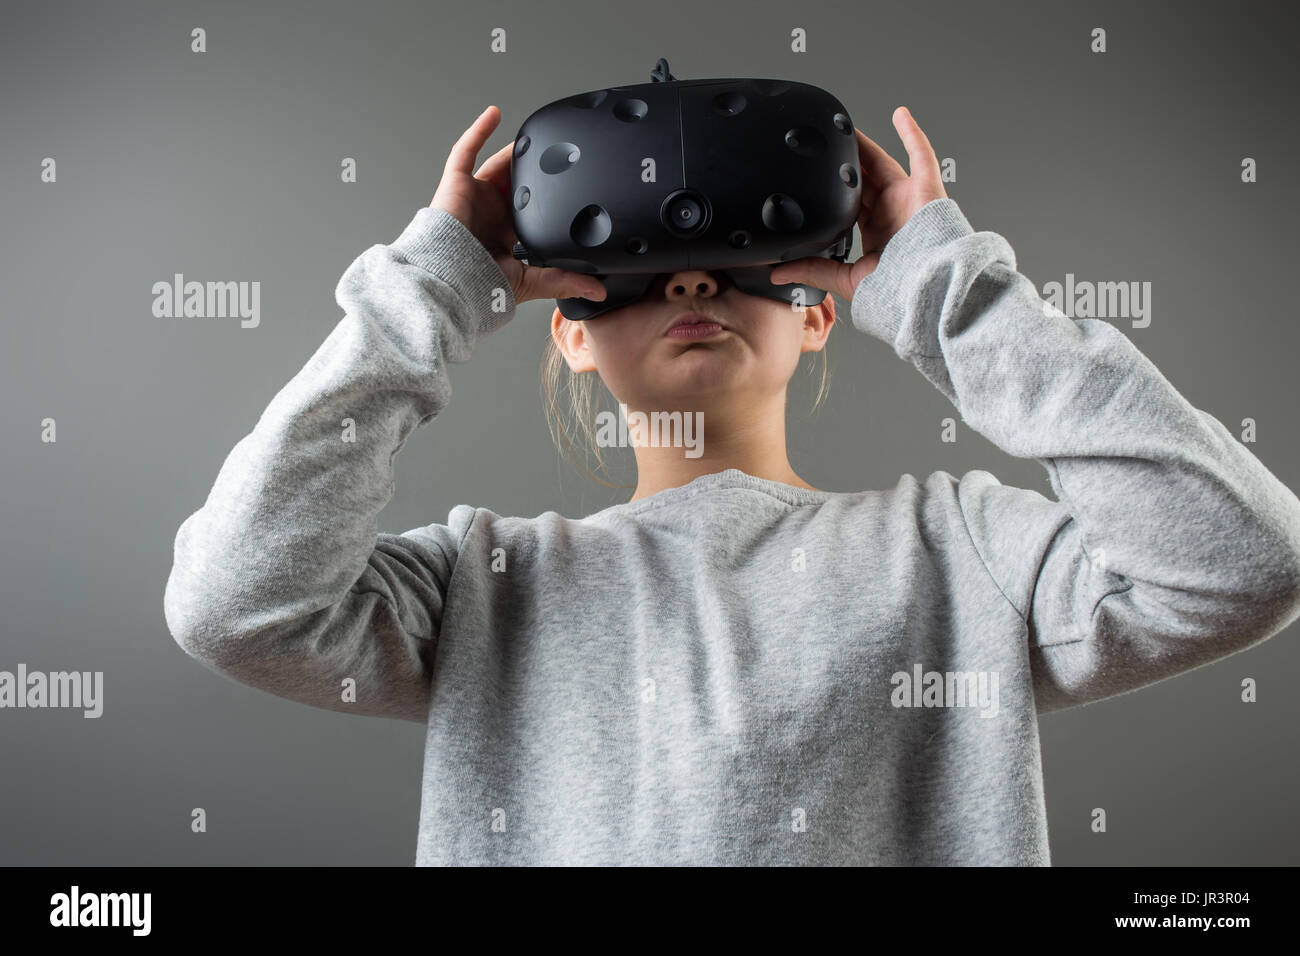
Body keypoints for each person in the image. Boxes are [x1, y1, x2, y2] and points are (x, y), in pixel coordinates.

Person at [163, 103, 1300, 865]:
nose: (695, 275)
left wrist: (943, 286)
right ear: (566, 332)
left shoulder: (963, 552)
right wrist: (434, 284)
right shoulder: (485, 583)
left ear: (821, 309)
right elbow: (237, 602)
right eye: (639, 268)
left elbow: (1241, 561)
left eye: (746, 261)